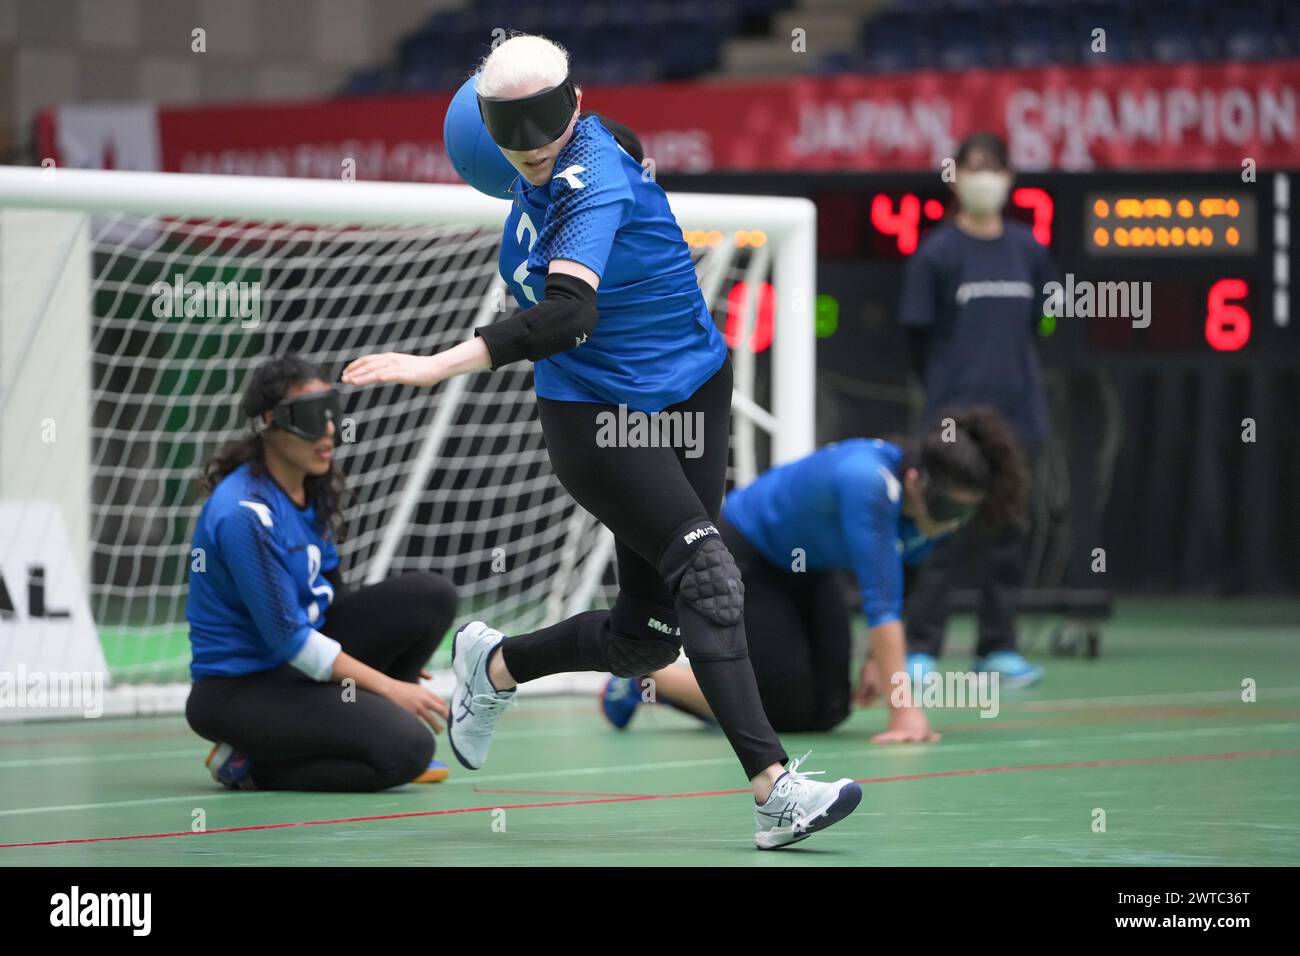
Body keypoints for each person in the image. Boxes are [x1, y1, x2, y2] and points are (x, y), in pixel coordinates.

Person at [342, 33, 861, 849]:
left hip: (693, 388)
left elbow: (573, 305)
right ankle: (774, 791)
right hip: (596, 419)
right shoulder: (527, 213)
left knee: (646, 639)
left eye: (547, 128)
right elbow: (572, 320)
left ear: (576, 109)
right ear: (491, 139)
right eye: (514, 137)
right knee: (712, 577)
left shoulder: (596, 166)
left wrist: (442, 362)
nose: (536, 150)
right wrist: (448, 361)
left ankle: (495, 664)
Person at [600, 408, 1027, 741]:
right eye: (950, 509)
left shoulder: (932, 518)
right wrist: (904, 710)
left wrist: (881, 662)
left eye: (965, 513)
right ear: (916, 481)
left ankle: (719, 697)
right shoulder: (870, 483)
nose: (953, 523)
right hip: (747, 553)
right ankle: (649, 678)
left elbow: (906, 579)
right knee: (783, 706)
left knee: (830, 709)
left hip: (807, 568)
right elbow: (882, 601)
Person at [185, 355, 458, 792]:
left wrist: (393, 648)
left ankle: (366, 725)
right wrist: (388, 685)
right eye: (312, 416)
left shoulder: (309, 484)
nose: (329, 430)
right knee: (407, 752)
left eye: (331, 412)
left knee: (432, 597)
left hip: (298, 666)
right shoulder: (244, 512)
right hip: (241, 689)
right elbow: (289, 639)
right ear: (269, 423)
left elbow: (333, 594)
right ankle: (251, 763)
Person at [897, 131, 1058, 687]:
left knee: (1008, 535)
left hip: (1019, 418)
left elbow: (1047, 323)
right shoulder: (936, 254)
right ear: (955, 177)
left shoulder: (1030, 251)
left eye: (994, 166)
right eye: (974, 166)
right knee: (936, 536)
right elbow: (916, 339)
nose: (984, 176)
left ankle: (998, 649)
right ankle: (920, 651)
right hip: (951, 423)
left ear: (1010, 177)